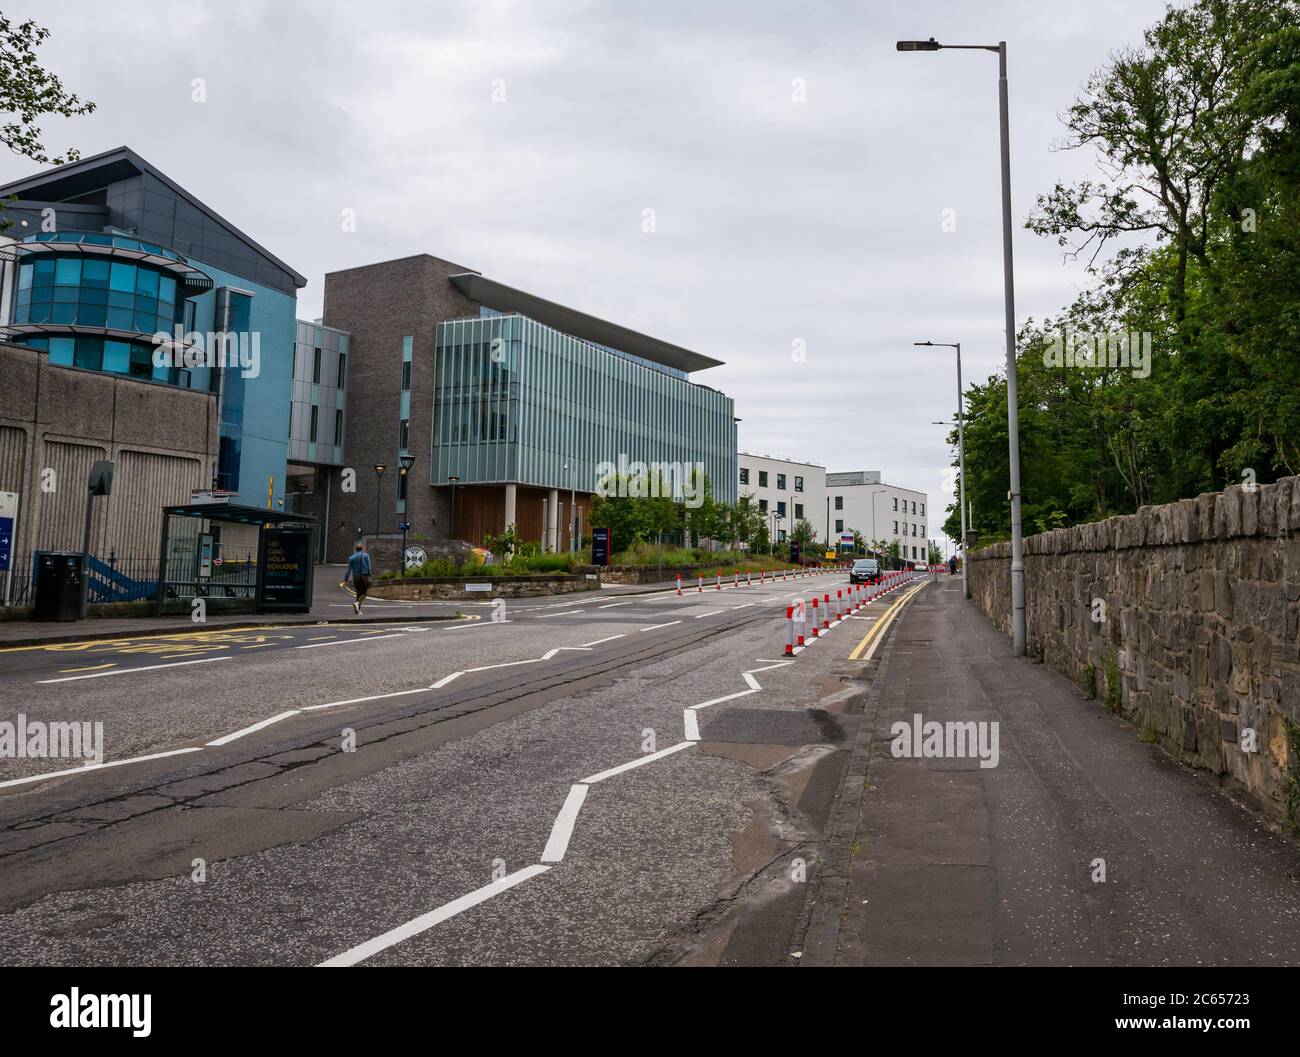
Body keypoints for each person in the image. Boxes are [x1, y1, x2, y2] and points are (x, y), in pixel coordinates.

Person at [342, 543, 372, 615]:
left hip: (355, 578)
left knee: (358, 594)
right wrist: (369, 575)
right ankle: (357, 603)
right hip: (363, 576)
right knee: (364, 593)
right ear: (362, 549)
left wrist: (345, 580)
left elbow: (348, 570)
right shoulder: (365, 555)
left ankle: (357, 611)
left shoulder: (351, 558)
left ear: (356, 549)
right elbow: (369, 567)